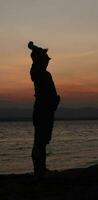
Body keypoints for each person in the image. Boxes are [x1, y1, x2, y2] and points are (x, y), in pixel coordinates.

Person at [28, 41, 60, 178]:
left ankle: (41, 168)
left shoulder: (44, 73)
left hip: (46, 110)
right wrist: (34, 48)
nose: (48, 61)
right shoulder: (39, 73)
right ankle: (39, 170)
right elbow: (36, 62)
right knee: (40, 141)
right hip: (43, 110)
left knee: (43, 140)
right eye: (45, 59)